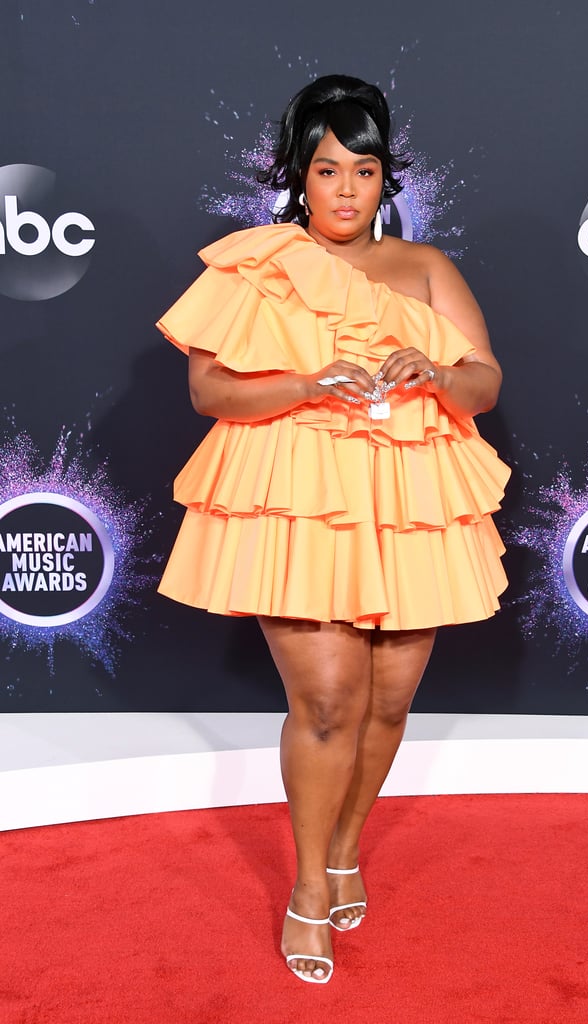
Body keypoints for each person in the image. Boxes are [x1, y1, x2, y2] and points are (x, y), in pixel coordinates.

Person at [156, 74, 509, 984]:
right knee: (325, 703)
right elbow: (209, 391)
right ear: (297, 177)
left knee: (388, 702)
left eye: (364, 170)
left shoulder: (427, 266)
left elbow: (483, 384)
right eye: (327, 170)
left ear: (386, 178)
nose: (346, 190)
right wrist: (308, 386)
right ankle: (308, 889)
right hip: (301, 495)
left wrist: (433, 370)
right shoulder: (257, 265)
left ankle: (347, 846)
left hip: (409, 497)